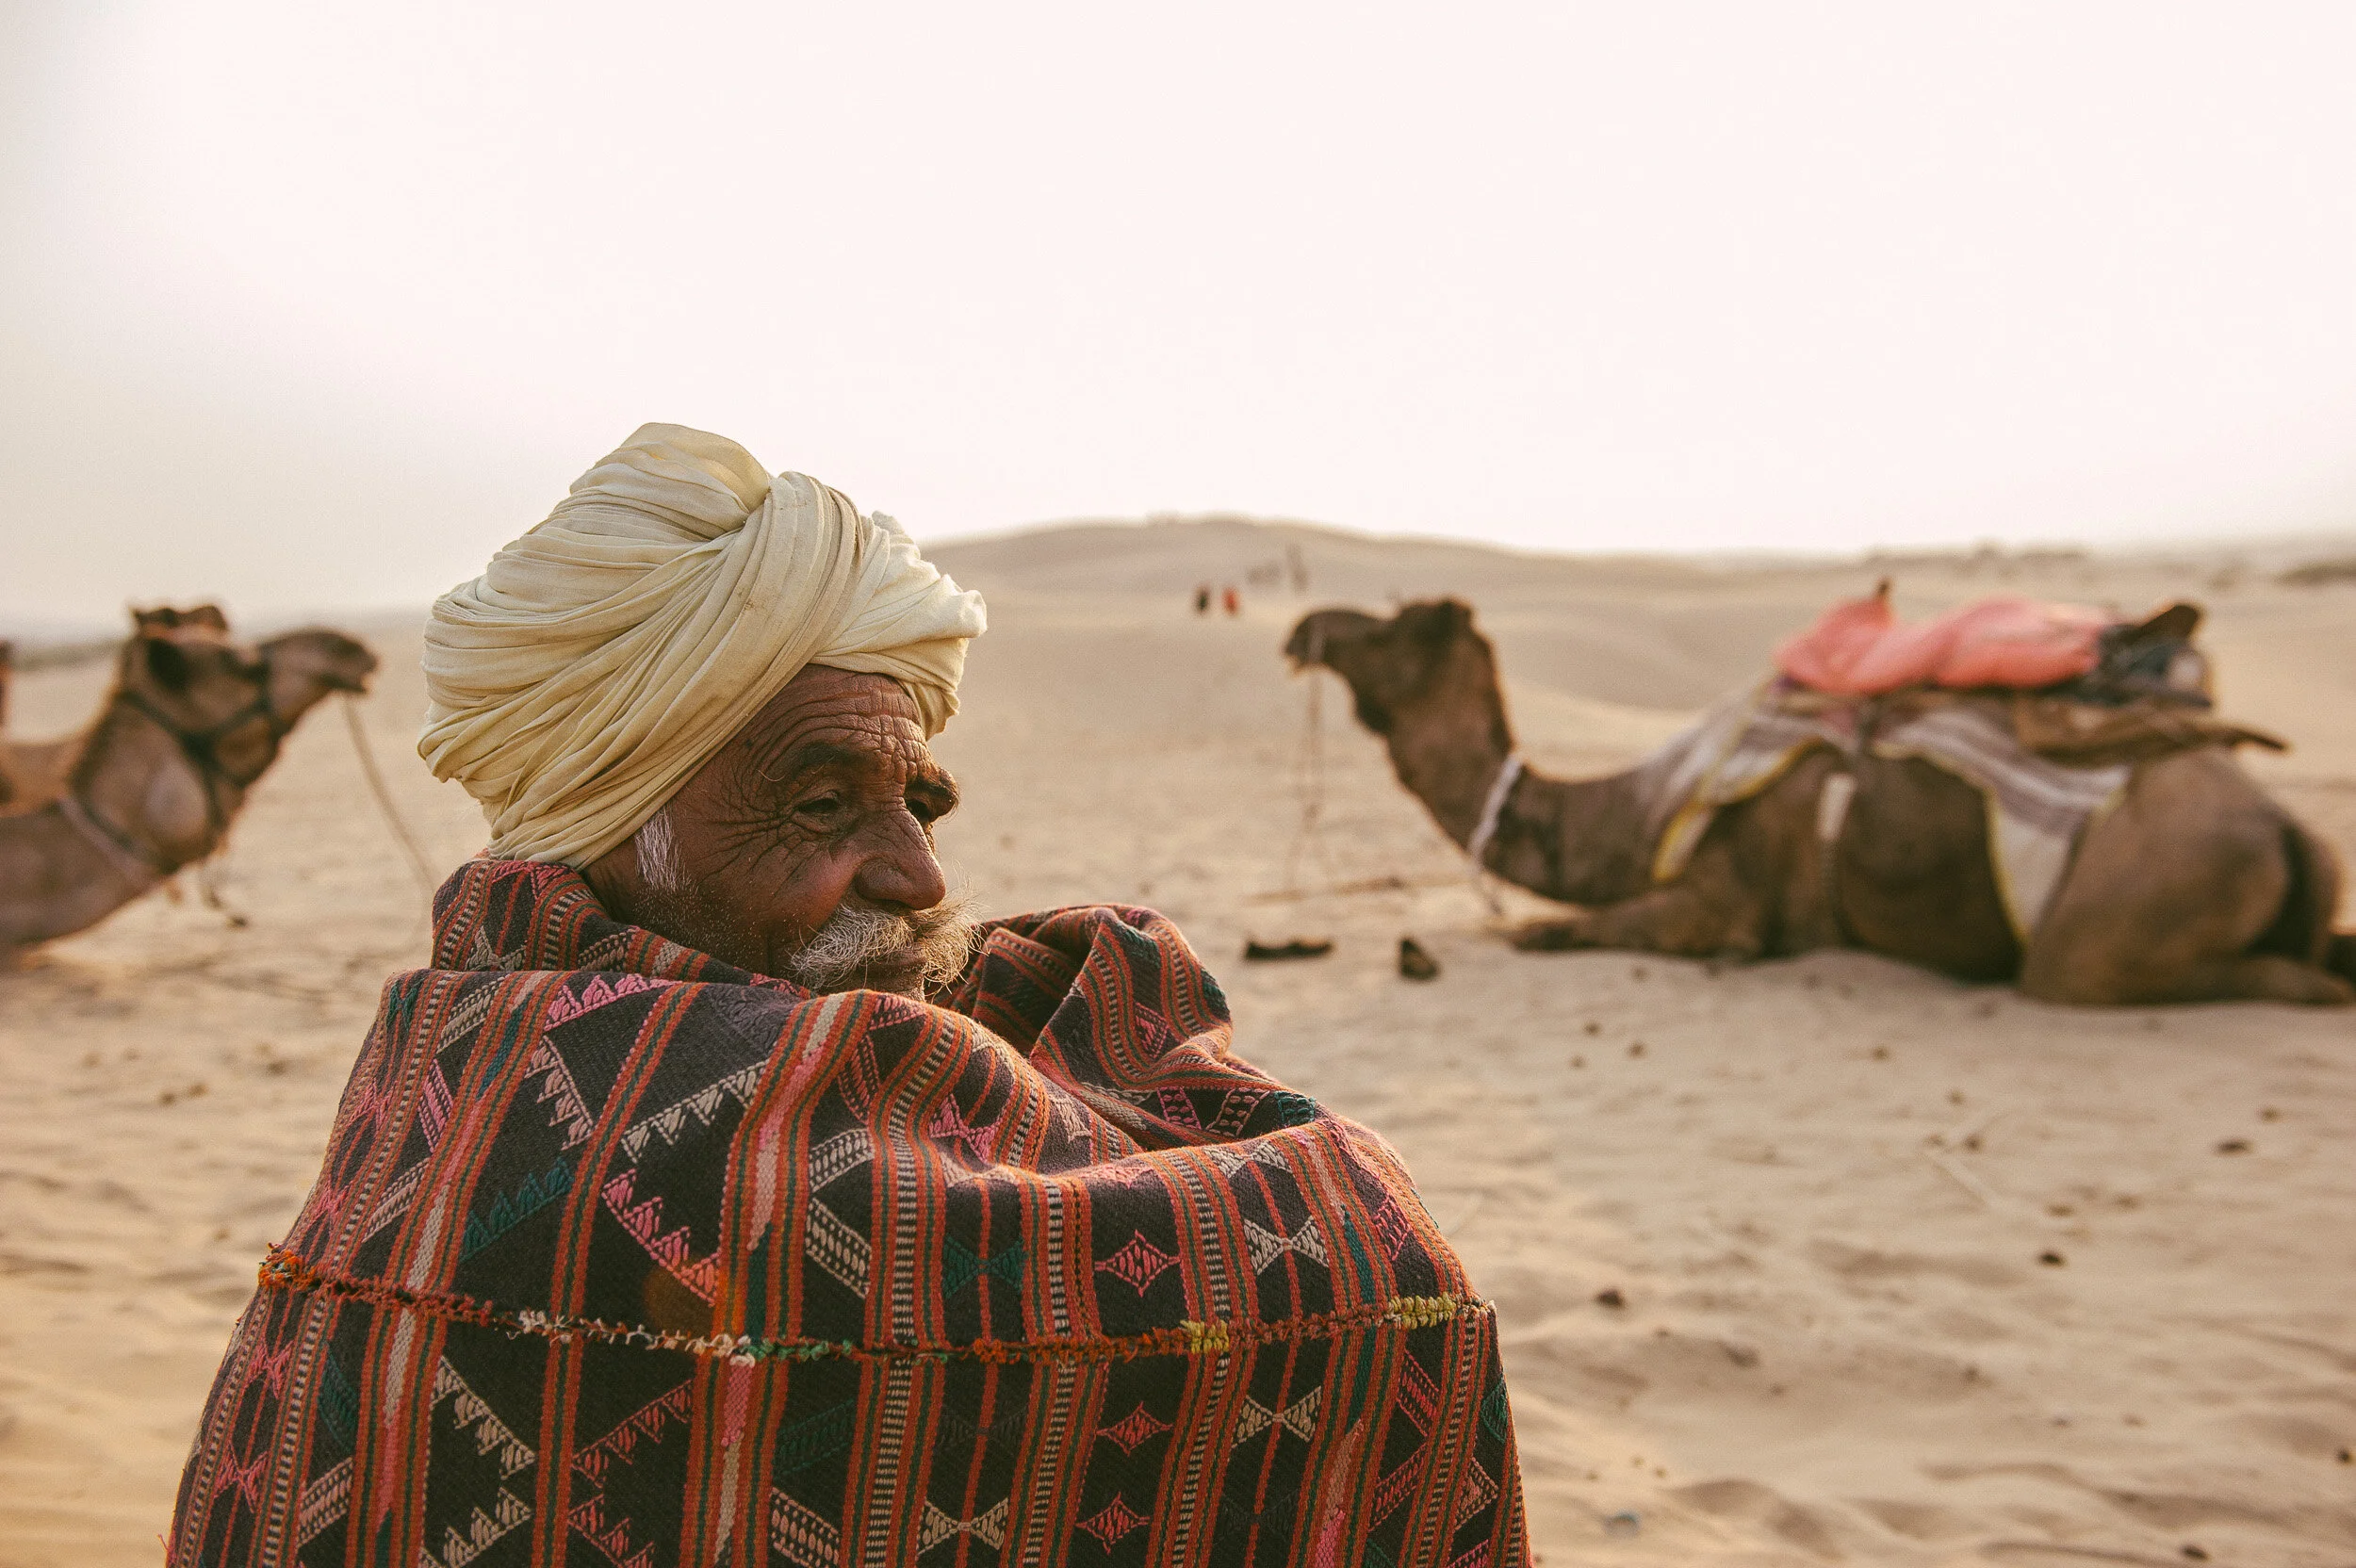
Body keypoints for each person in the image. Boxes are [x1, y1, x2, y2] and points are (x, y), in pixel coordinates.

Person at [170, 425, 1526, 1566]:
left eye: (918, 802)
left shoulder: (432, 1101)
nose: (920, 874)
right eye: (822, 806)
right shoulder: (575, 1173)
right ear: (605, 824)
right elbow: (1359, 1287)